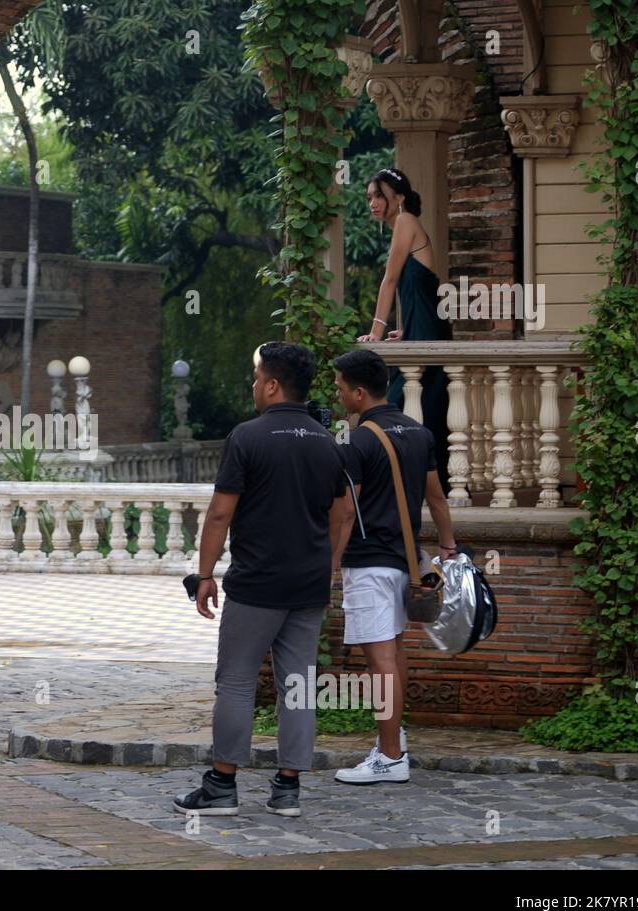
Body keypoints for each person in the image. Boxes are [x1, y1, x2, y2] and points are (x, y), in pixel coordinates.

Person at [173, 343, 351, 819]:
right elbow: (342, 514)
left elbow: (220, 513)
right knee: (299, 684)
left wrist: (205, 574)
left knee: (235, 682)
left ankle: (222, 786)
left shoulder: (247, 437)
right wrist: (329, 564)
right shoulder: (325, 441)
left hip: (256, 583)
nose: (253, 386)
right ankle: (287, 790)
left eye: (256, 378)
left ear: (272, 385)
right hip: (308, 584)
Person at [331, 349, 458, 784]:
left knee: (380, 661)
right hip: (405, 561)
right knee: (396, 652)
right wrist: (448, 546)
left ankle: (389, 756)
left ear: (359, 391)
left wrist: (331, 562)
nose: (338, 394)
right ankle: (394, 739)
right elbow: (436, 498)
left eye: (341, 387)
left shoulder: (358, 439)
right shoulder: (419, 433)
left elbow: (347, 512)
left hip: (367, 562)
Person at [356, 167, 452, 494]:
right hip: (421, 328)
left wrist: (377, 332)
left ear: (398, 197)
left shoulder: (405, 221)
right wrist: (405, 329)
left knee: (395, 406)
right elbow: (413, 293)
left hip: (429, 331)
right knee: (418, 405)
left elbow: (391, 280)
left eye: (379, 196)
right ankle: (403, 483)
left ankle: (395, 483)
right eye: (369, 198)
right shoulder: (403, 225)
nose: (373, 203)